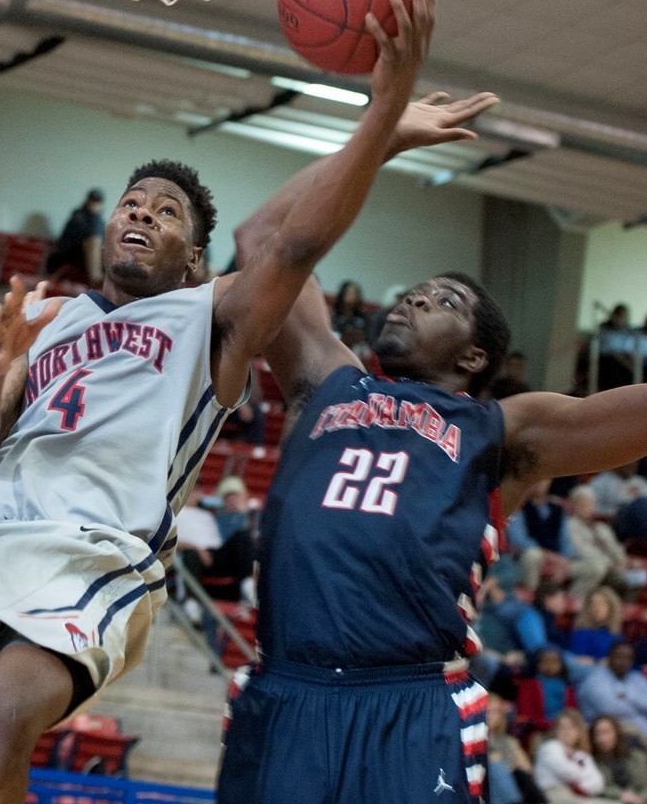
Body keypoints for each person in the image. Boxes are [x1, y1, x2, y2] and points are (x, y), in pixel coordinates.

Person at [0, 0, 464, 804]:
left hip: (93, 554)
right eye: (133, 203)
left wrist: (378, 124)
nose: (141, 213)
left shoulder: (206, 316)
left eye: (166, 211)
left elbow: (286, 245)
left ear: (193, 258)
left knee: (7, 706)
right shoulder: (46, 320)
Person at [217, 102, 647, 804]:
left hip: (408, 700)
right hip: (285, 687)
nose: (411, 302)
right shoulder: (323, 380)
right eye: (410, 294)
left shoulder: (503, 431)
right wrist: (377, 138)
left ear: (476, 354)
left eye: (439, 299)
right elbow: (260, 235)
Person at [568, 486, 630, 597]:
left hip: (611, 567)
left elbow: (616, 548)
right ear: (574, 505)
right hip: (580, 564)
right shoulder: (569, 525)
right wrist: (608, 563)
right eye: (582, 503)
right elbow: (580, 551)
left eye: (590, 504)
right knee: (600, 569)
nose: (586, 507)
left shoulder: (602, 527)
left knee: (632, 576)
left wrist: (620, 561)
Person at [534, 709, 606, 803]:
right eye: (562, 727)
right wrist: (584, 773)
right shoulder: (550, 747)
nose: (567, 731)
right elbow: (568, 773)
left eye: (572, 727)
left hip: (579, 796)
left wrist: (578, 787)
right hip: (553, 795)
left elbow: (598, 783)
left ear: (579, 731)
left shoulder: (582, 755)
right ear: (555, 730)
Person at [577, 642, 647, 739]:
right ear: (609, 657)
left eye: (628, 658)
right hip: (604, 735)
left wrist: (627, 696)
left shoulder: (636, 677)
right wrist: (640, 708)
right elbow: (611, 709)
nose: (624, 661)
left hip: (637, 733)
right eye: (620, 656)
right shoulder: (594, 679)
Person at [486, 692, 545, 804]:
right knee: (497, 767)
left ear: (501, 715)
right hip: (489, 787)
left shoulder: (509, 741)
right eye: (487, 711)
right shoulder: (473, 740)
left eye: (495, 712)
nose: (490, 716)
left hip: (515, 784)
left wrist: (510, 767)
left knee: (521, 775)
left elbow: (526, 768)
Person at [44, 187, 106, 287]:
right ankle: (95, 277)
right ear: (87, 202)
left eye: (97, 202)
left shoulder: (97, 221)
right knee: (95, 227)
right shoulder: (82, 217)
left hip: (77, 259)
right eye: (93, 201)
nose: (95, 205)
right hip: (65, 259)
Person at [590, 714, 647, 804]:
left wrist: (640, 799)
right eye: (597, 734)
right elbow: (598, 788)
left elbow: (645, 784)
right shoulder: (591, 762)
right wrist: (620, 794)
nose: (601, 739)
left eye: (606, 732)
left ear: (616, 733)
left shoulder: (636, 757)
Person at [569, 587, 625, 663]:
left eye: (601, 603)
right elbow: (580, 660)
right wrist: (599, 661)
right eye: (593, 604)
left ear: (611, 607)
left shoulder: (617, 634)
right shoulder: (581, 633)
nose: (596, 608)